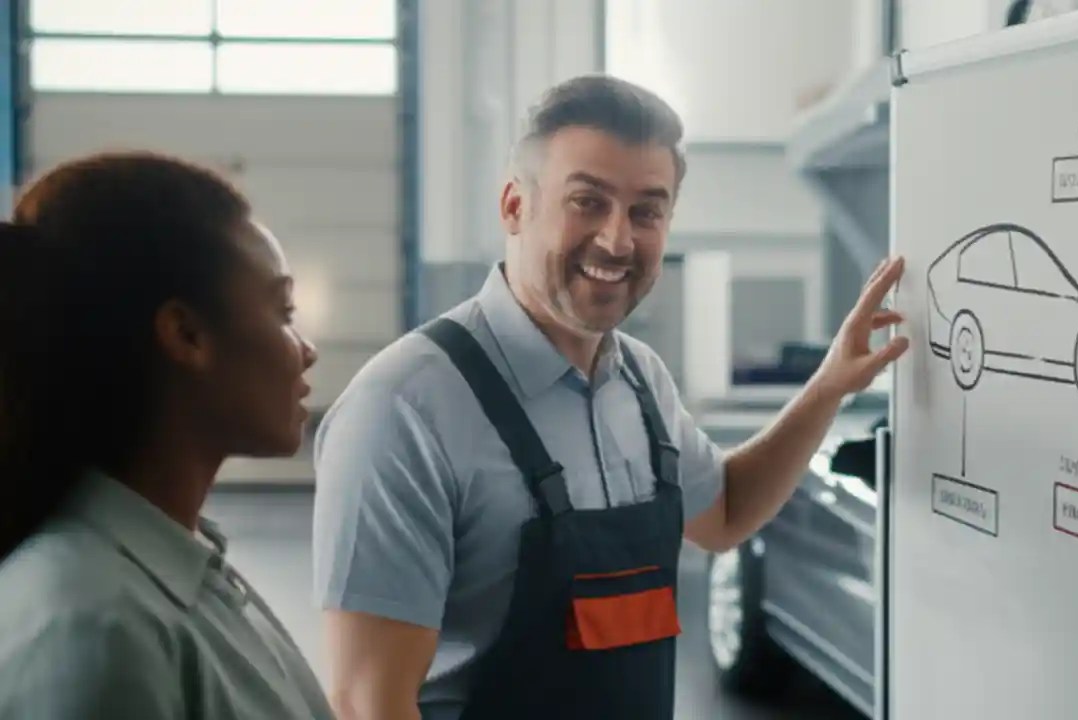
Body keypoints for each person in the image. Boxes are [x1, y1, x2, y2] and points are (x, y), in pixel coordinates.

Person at [312, 74, 908, 720]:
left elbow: (726, 511)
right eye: (587, 201)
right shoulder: (403, 409)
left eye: (646, 211)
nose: (618, 240)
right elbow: (368, 704)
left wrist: (830, 385)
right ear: (515, 205)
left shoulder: (641, 383)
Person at [0, 152, 333, 719]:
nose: (306, 349)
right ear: (186, 334)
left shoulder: (183, 572)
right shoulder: (91, 625)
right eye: (283, 311)